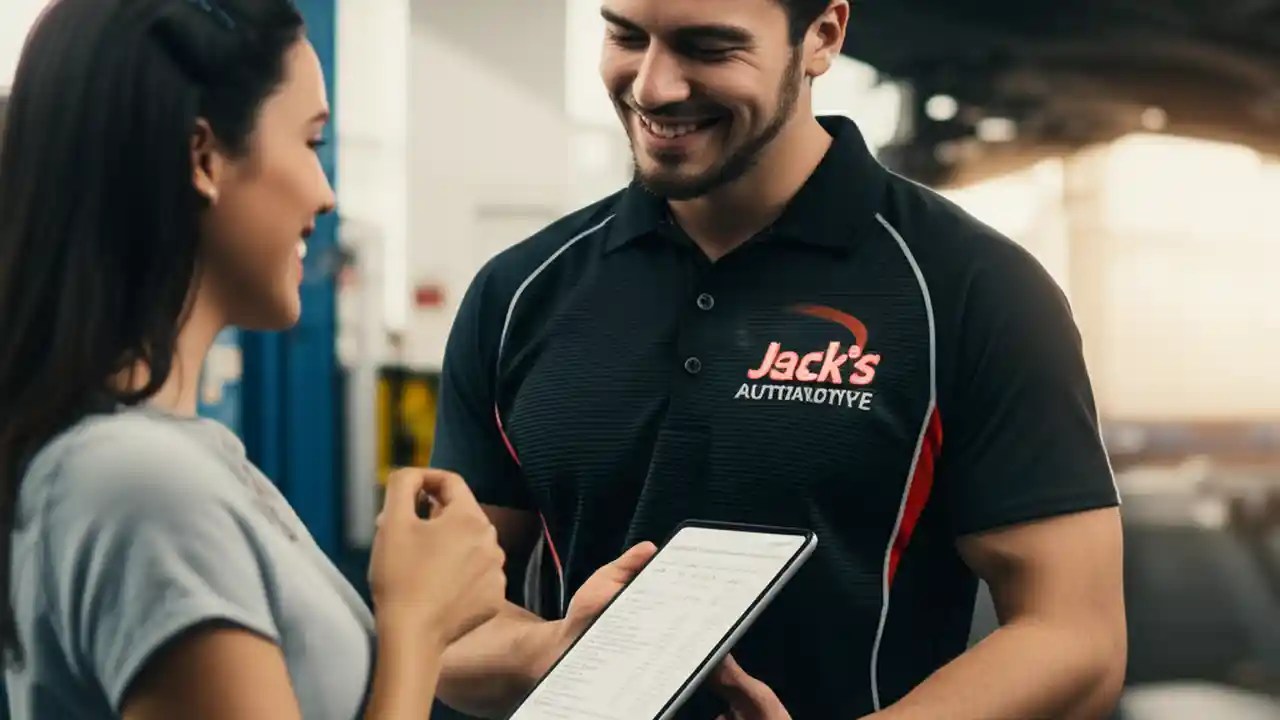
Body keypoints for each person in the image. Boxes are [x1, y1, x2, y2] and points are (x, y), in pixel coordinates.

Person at [428, 0, 1128, 718]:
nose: (654, 87)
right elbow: (443, 632)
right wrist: (556, 650)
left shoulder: (971, 289)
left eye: (709, 47)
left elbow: (1074, 636)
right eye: (626, 37)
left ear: (822, 37)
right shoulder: (517, 294)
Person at [0, 1, 513, 718]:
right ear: (203, 157)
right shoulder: (138, 484)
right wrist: (417, 625)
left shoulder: (177, 459)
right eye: (310, 142)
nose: (327, 194)